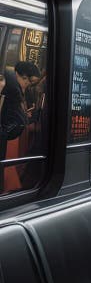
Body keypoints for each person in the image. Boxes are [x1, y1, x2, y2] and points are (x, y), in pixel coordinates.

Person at [0, 61, 40, 189]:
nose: (28, 86)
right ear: (23, 76)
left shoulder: (10, 83)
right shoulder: (13, 87)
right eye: (30, 82)